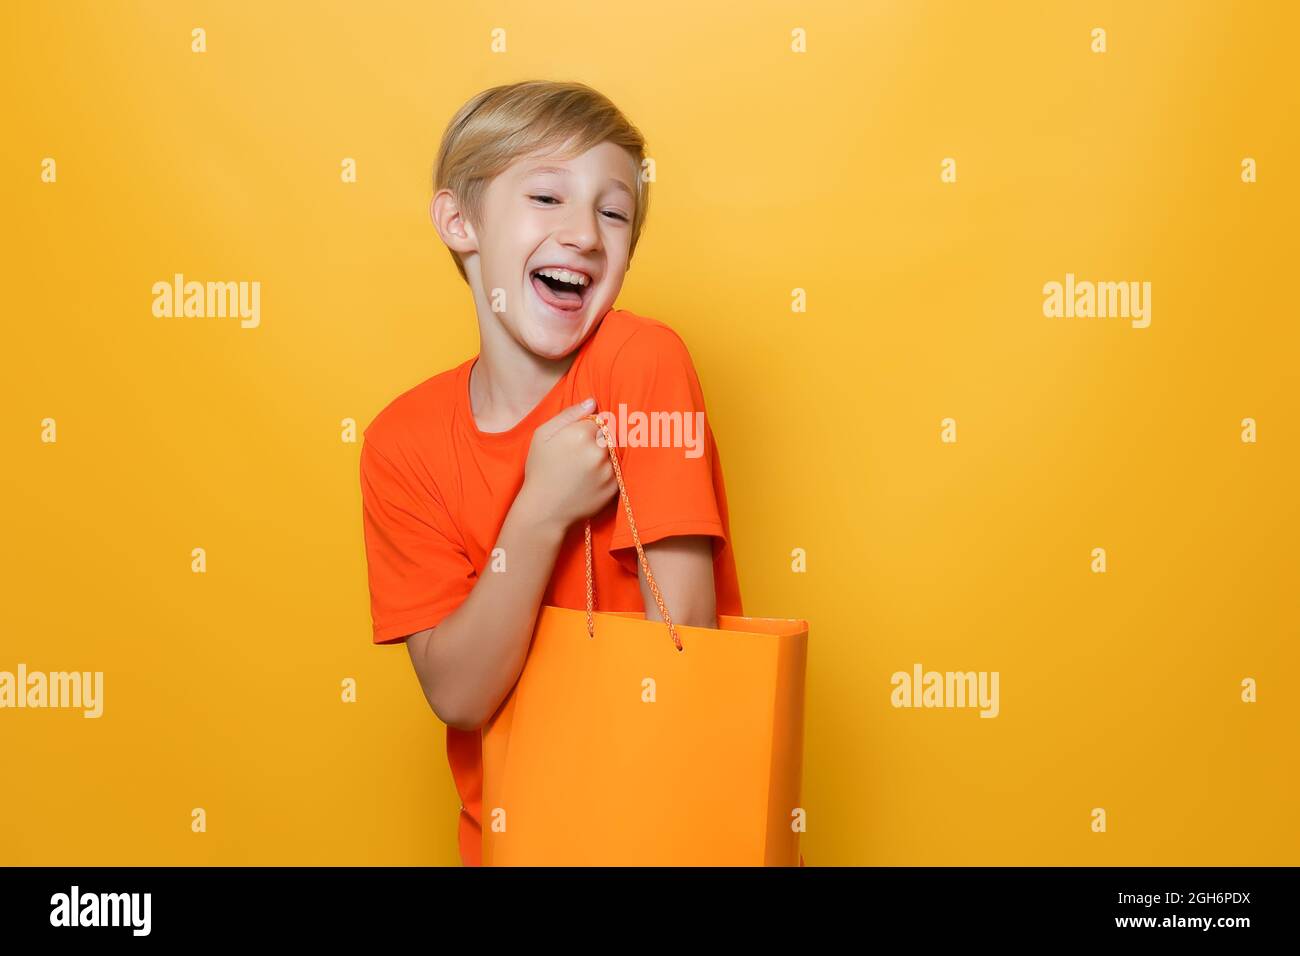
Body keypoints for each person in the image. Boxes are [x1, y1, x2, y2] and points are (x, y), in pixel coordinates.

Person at [358, 80, 744, 866]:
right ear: (460, 222)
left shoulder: (642, 362)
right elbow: (460, 696)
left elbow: (686, 647)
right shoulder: (402, 443)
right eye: (546, 196)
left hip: (674, 840)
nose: (586, 236)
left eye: (614, 212)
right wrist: (541, 509)